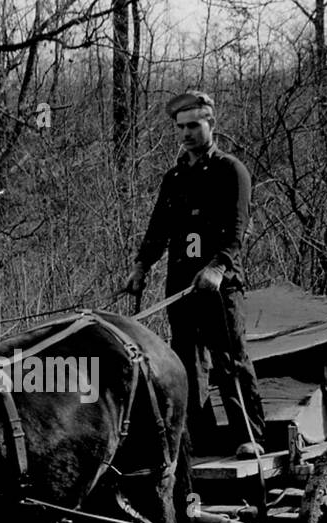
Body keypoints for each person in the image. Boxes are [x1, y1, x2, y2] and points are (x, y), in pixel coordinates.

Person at [124, 90, 268, 459]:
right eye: (181, 127)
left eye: (194, 126)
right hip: (181, 285)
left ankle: (249, 435)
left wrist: (218, 266)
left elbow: (238, 227)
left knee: (230, 361)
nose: (186, 133)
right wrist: (142, 266)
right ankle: (200, 441)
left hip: (219, 285)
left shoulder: (230, 170)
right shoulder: (174, 177)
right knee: (186, 363)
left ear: (211, 125)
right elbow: (159, 227)